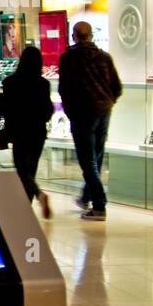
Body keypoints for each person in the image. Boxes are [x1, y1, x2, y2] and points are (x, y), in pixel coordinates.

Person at [58, 20, 122, 221]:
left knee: (88, 160)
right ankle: (86, 196)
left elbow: (64, 88)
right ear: (91, 35)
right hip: (103, 111)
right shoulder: (104, 58)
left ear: (74, 36)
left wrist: (70, 111)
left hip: (82, 113)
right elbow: (117, 87)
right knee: (96, 156)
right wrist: (108, 102)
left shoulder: (68, 59)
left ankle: (99, 204)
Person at [0, 45, 55, 219]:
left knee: (22, 170)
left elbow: (5, 107)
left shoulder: (10, 82)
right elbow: (48, 109)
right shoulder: (43, 84)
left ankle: (36, 198)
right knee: (30, 170)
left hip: (18, 131)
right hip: (37, 131)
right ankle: (27, 207)